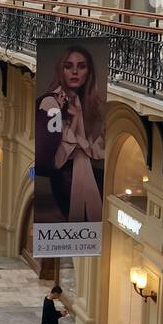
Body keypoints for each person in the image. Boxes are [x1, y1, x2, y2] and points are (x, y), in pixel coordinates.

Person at [35, 45, 106, 226]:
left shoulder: (80, 102)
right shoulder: (51, 102)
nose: (75, 72)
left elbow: (91, 150)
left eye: (81, 66)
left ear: (88, 72)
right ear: (61, 70)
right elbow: (57, 153)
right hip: (65, 179)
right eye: (68, 66)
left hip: (82, 173)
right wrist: (72, 120)